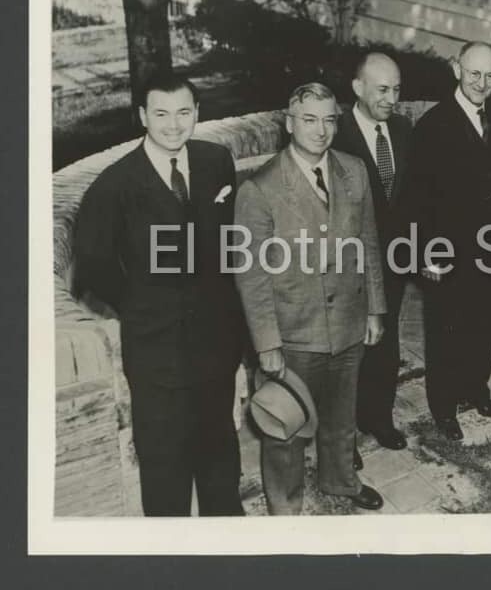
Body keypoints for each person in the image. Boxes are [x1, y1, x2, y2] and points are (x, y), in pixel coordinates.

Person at [73, 71, 245, 516]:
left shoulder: (216, 161)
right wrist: (141, 304)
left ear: (198, 114)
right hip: (156, 355)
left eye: (184, 112)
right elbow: (93, 263)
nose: (173, 125)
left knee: (219, 460)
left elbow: (230, 245)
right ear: (143, 116)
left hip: (214, 347)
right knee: (165, 469)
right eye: (162, 114)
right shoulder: (115, 184)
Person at [233, 82, 387, 513]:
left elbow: (368, 242)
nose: (320, 130)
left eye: (328, 120)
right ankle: (286, 506)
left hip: (349, 322)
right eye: (309, 119)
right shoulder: (260, 189)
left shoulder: (353, 169)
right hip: (293, 332)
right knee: (287, 426)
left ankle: (341, 481)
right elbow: (252, 275)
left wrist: (375, 307)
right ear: (289, 123)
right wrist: (267, 344)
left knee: (342, 417)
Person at [402, 42, 491, 440]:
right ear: (456, 69)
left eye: (490, 76)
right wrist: (427, 257)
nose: (482, 84)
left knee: (485, 325)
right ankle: (444, 406)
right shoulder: (433, 126)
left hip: (490, 251)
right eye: (474, 74)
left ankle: (476, 389)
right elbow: (416, 199)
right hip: (448, 253)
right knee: (447, 331)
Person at [331, 53, 410, 454]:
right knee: (346, 354)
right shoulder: (334, 135)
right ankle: (343, 440)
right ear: (358, 87)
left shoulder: (400, 128)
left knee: (386, 343)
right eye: (382, 90)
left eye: (396, 89)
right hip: (347, 266)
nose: (391, 98)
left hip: (391, 263)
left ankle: (379, 418)